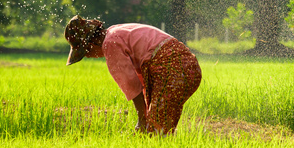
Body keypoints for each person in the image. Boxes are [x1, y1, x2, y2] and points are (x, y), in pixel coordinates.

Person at [64, 16, 201, 134]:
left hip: (171, 68)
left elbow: (132, 85)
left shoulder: (109, 44)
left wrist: (141, 120)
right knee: (159, 124)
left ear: (92, 43)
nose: (88, 56)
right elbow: (141, 83)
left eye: (85, 53)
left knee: (154, 131)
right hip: (187, 65)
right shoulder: (116, 31)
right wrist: (146, 114)